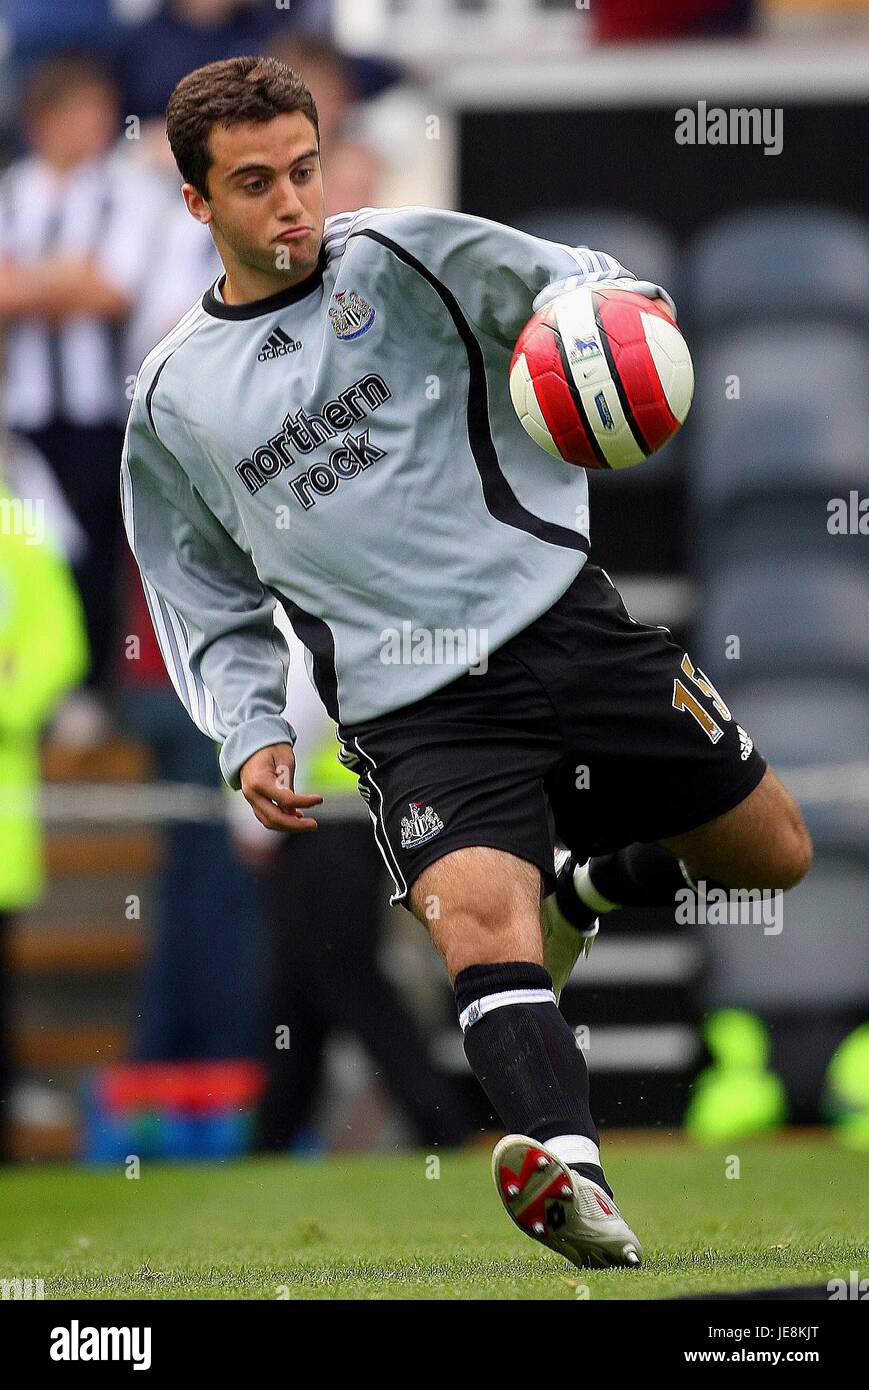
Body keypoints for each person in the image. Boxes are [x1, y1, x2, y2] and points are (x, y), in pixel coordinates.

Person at [120, 56, 812, 1271]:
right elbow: (199, 595)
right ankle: (573, 1173)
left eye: (303, 168)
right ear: (197, 205)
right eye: (253, 184)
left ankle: (582, 889)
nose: (292, 203)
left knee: (774, 853)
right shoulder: (175, 398)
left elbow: (575, 279)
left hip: (565, 623)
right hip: (411, 707)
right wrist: (250, 728)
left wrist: (617, 316)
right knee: (478, 927)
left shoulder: (402, 255)